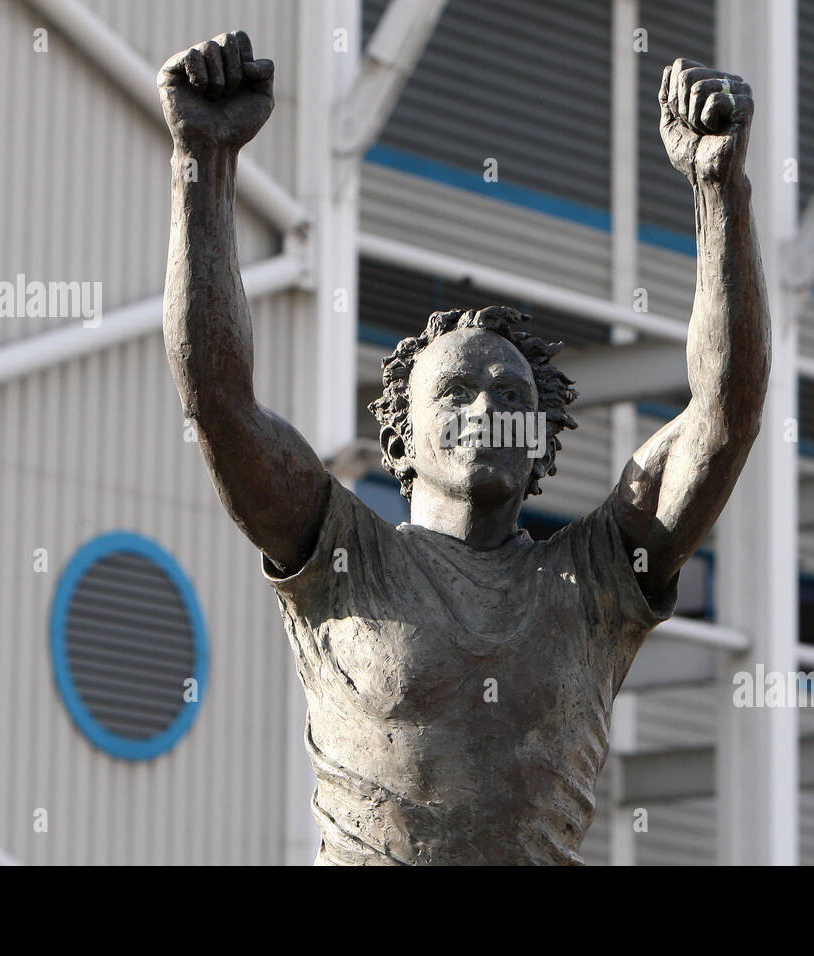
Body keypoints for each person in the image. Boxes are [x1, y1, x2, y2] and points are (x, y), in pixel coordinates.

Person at [158, 31, 770, 865]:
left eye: (513, 397)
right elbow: (220, 403)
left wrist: (718, 192)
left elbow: (726, 412)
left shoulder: (595, 580)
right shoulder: (340, 554)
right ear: (400, 438)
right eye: (456, 393)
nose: (486, 409)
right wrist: (203, 162)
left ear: (540, 443)